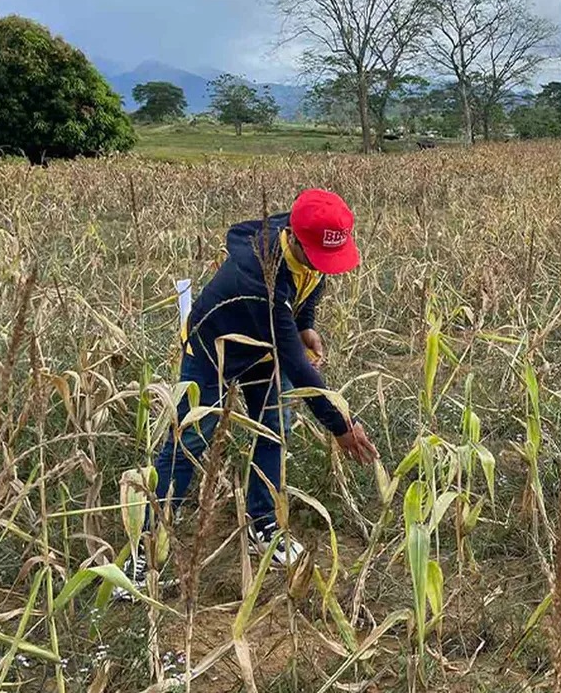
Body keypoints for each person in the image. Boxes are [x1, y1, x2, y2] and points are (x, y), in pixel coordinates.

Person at [123, 189, 378, 590]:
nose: (325, 264)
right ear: (293, 238)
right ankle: (144, 546)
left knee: (274, 428)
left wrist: (306, 321)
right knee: (190, 436)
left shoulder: (303, 237)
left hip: (266, 349)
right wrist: (341, 421)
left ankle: (264, 524)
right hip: (212, 348)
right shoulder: (261, 275)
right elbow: (295, 362)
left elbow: (312, 281)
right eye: (317, 254)